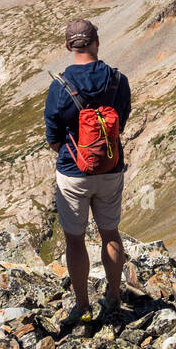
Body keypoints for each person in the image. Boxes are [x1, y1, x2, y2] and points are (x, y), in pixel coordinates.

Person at [44, 18, 132, 327]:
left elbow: (53, 136)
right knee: (110, 232)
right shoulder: (117, 80)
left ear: (68, 46)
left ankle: (82, 304)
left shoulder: (59, 86)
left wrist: (74, 153)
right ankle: (114, 297)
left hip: (73, 171)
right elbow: (121, 122)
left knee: (75, 240)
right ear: (97, 41)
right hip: (111, 168)